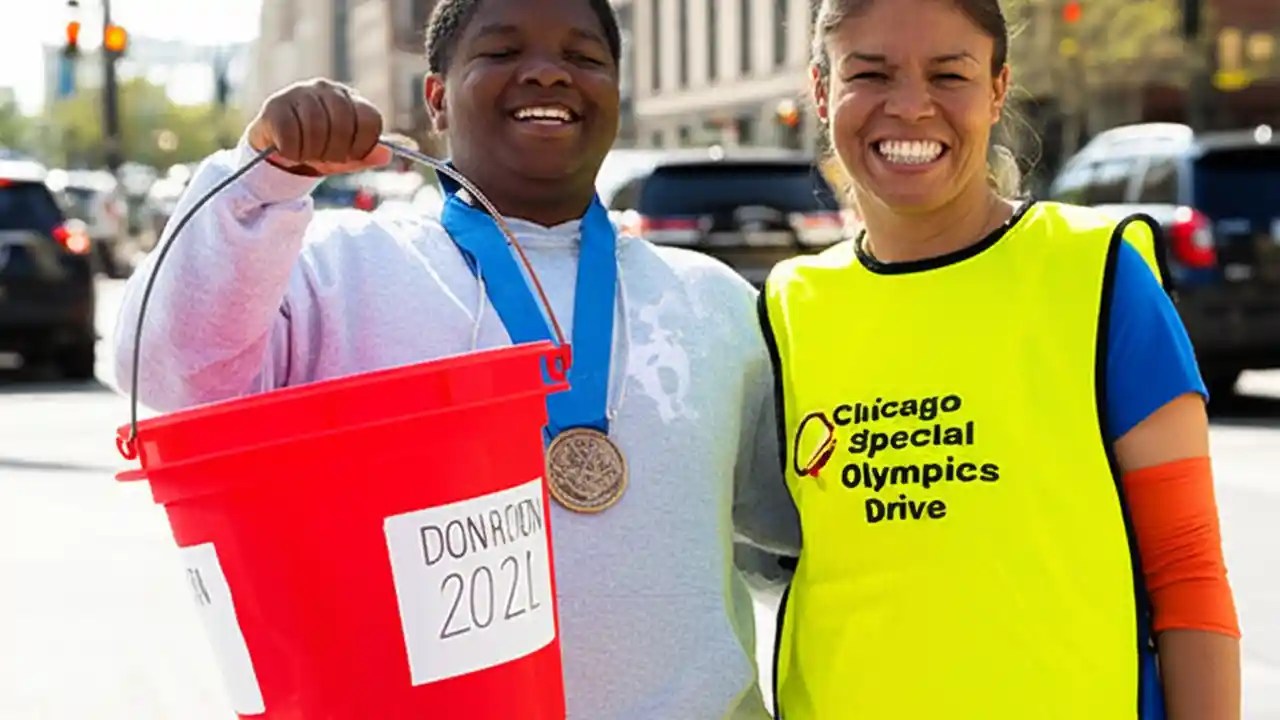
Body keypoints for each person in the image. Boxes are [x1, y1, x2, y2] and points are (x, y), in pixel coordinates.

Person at [113, 0, 800, 716]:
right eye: (501, 53)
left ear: (617, 92)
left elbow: (794, 528)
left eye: (585, 57)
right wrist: (262, 179)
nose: (546, 73)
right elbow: (166, 372)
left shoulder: (711, 301)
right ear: (435, 97)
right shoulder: (343, 270)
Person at [758, 0, 1242, 718]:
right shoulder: (790, 303)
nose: (911, 107)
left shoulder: (1096, 273)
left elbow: (1188, 569)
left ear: (996, 89)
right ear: (823, 90)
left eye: (949, 75)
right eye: (872, 73)